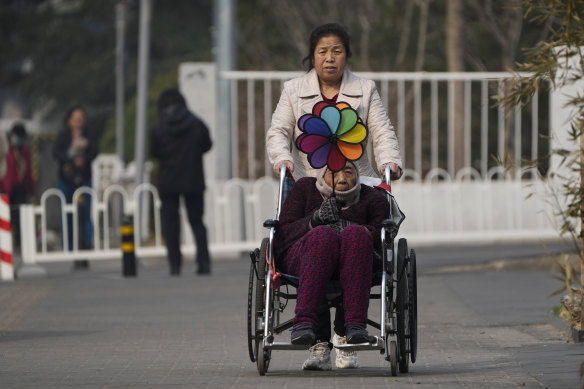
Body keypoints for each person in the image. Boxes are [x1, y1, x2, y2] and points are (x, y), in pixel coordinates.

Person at [265, 23, 403, 369]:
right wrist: (281, 159)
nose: (330, 58)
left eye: (337, 51)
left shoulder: (364, 89)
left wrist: (390, 162)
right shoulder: (294, 90)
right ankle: (319, 338)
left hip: (357, 183)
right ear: (312, 56)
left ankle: (346, 335)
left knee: (356, 238)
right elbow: (279, 130)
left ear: (347, 55)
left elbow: (382, 129)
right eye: (323, 51)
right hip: (312, 182)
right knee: (322, 235)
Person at [274, 161, 389, 371]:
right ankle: (305, 325)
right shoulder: (304, 189)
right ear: (321, 174)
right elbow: (283, 235)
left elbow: (385, 239)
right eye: (334, 174)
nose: (342, 180)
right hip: (304, 256)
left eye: (348, 172)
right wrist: (314, 220)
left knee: (356, 235)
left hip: (358, 260)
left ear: (358, 174)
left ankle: (353, 326)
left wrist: (354, 228)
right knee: (322, 235)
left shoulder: (374, 198)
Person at [150, 89, 212, 276]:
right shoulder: (197, 124)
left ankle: (175, 265)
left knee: (171, 224)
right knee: (197, 222)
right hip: (193, 179)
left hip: (168, 181)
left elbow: (154, 152)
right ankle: (203, 263)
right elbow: (207, 145)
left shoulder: (158, 128)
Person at [52, 106, 99, 261]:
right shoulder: (63, 135)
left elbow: (94, 152)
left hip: (84, 176)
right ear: (69, 120)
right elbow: (56, 153)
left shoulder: (89, 134)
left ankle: (87, 242)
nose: (79, 120)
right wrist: (70, 159)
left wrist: (83, 160)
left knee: (86, 211)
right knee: (68, 212)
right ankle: (69, 245)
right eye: (76, 117)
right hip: (67, 178)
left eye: (81, 117)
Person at [0, 123, 36, 252]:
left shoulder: (24, 151)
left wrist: (32, 186)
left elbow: (28, 171)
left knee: (19, 218)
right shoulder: (5, 150)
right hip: (6, 187)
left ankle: (19, 243)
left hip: (20, 187)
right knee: (6, 217)